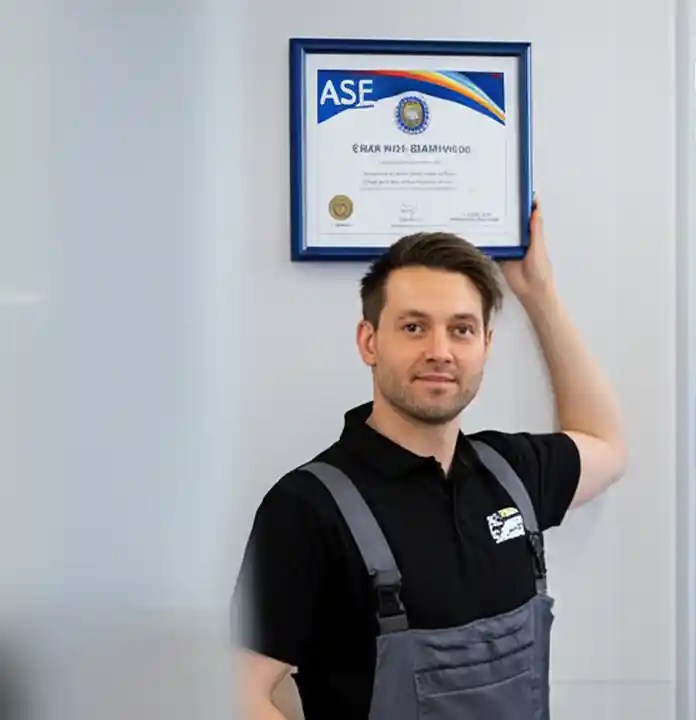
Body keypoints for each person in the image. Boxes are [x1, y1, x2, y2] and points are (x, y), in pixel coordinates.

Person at [233, 202, 628, 720]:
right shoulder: (307, 508)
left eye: (462, 330)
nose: (440, 351)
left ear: (485, 344)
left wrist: (539, 293)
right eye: (414, 327)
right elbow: (237, 691)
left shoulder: (512, 472)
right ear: (369, 341)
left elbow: (606, 445)